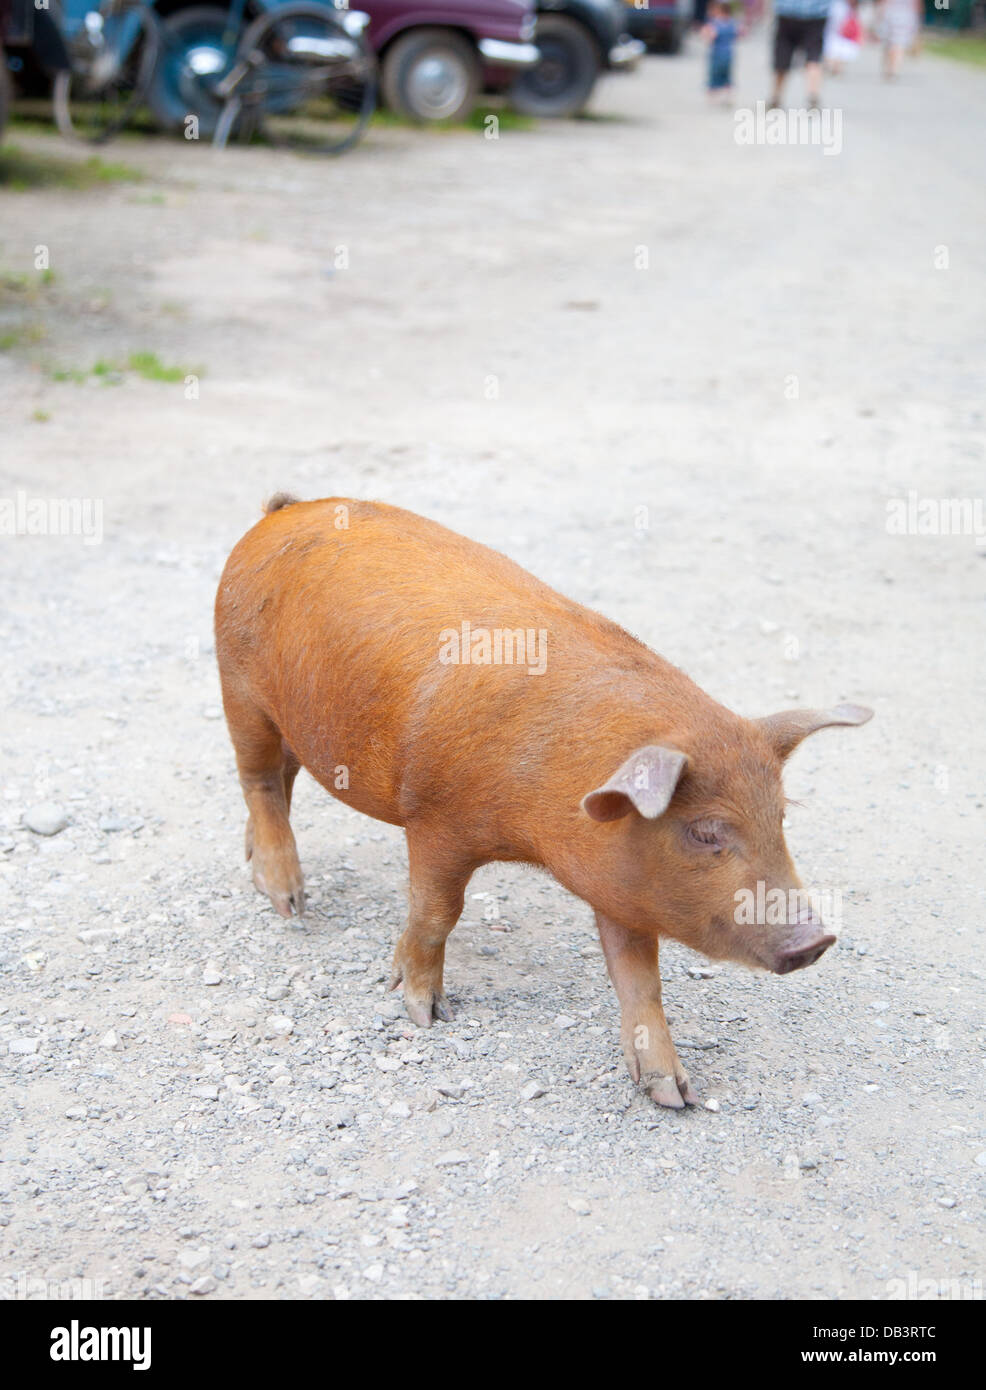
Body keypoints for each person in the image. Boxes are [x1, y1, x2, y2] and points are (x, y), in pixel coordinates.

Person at [769, 0, 833, 110]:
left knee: (783, 55)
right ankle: (813, 96)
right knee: (814, 56)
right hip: (816, 13)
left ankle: (776, 97)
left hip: (787, 11)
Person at [702, 0, 739, 103]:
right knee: (726, 76)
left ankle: (712, 97)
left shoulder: (716, 23)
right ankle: (728, 96)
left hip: (717, 54)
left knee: (714, 75)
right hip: (728, 54)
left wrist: (707, 35)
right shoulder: (732, 22)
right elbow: (737, 34)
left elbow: (710, 35)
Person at [877, 0, 921, 77]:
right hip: (906, 16)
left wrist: (879, 13)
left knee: (891, 43)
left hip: (891, 13)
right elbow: (917, 5)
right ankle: (893, 69)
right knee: (898, 44)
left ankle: (891, 67)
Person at [824, 0, 862, 74]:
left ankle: (833, 63)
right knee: (837, 35)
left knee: (832, 35)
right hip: (841, 8)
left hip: (833, 8)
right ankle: (835, 63)